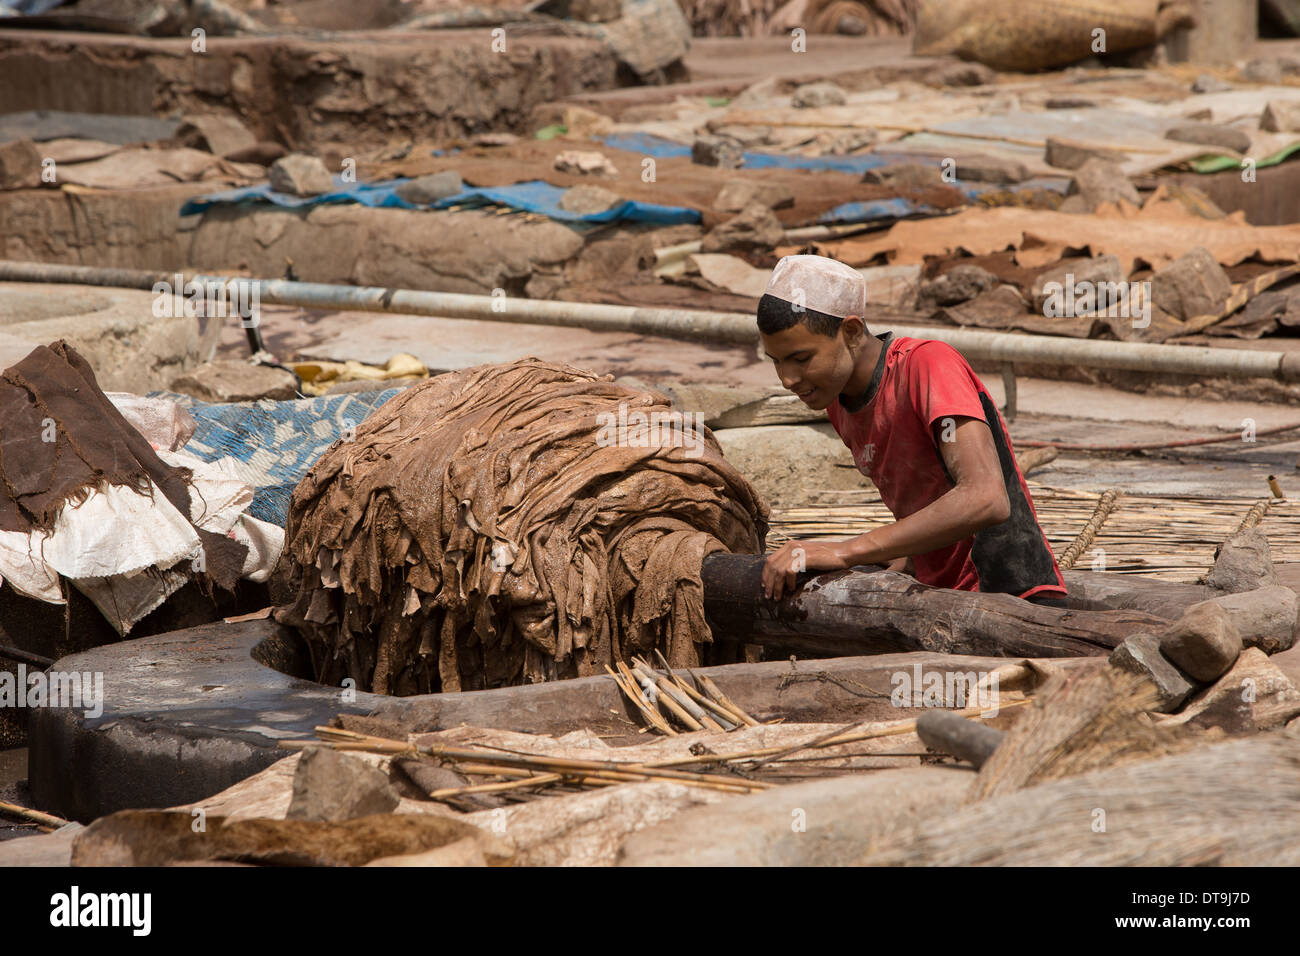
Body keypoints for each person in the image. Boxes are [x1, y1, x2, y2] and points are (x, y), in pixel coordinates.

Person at [757, 254, 1068, 607]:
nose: (787, 379)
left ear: (852, 332)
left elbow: (986, 499)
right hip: (938, 599)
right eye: (776, 361)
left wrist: (847, 551)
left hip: (1011, 599)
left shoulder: (927, 366)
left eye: (801, 359)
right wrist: (903, 556)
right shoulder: (838, 400)